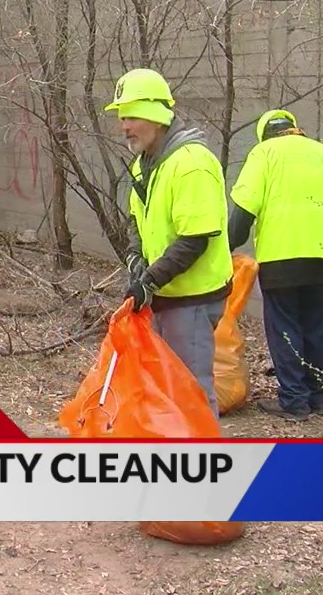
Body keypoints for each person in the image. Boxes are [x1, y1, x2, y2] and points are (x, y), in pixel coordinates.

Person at [110, 68, 234, 415]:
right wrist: (136, 260)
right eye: (122, 117)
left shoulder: (191, 163)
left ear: (156, 115)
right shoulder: (146, 164)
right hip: (165, 294)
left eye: (131, 116)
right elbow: (137, 219)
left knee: (190, 391)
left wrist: (149, 280)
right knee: (165, 391)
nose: (125, 126)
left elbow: (195, 237)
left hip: (191, 299)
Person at [228, 109, 323, 422]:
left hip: (281, 261)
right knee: (316, 328)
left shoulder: (263, 154)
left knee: (284, 329)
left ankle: (294, 401)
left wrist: (227, 247)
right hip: (322, 260)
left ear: (265, 135)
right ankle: (318, 397)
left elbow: (243, 212)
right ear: (294, 129)